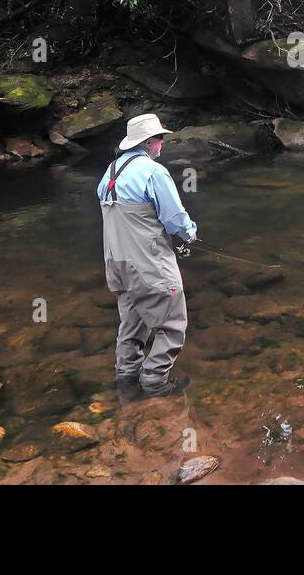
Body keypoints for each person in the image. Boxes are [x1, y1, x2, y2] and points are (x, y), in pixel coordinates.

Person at [96, 113, 196, 397]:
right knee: (173, 324)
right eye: (160, 138)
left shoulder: (111, 171)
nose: (162, 144)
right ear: (150, 142)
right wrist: (190, 233)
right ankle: (155, 383)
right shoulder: (154, 172)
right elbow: (174, 218)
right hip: (147, 264)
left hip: (116, 264)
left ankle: (126, 380)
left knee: (131, 322)